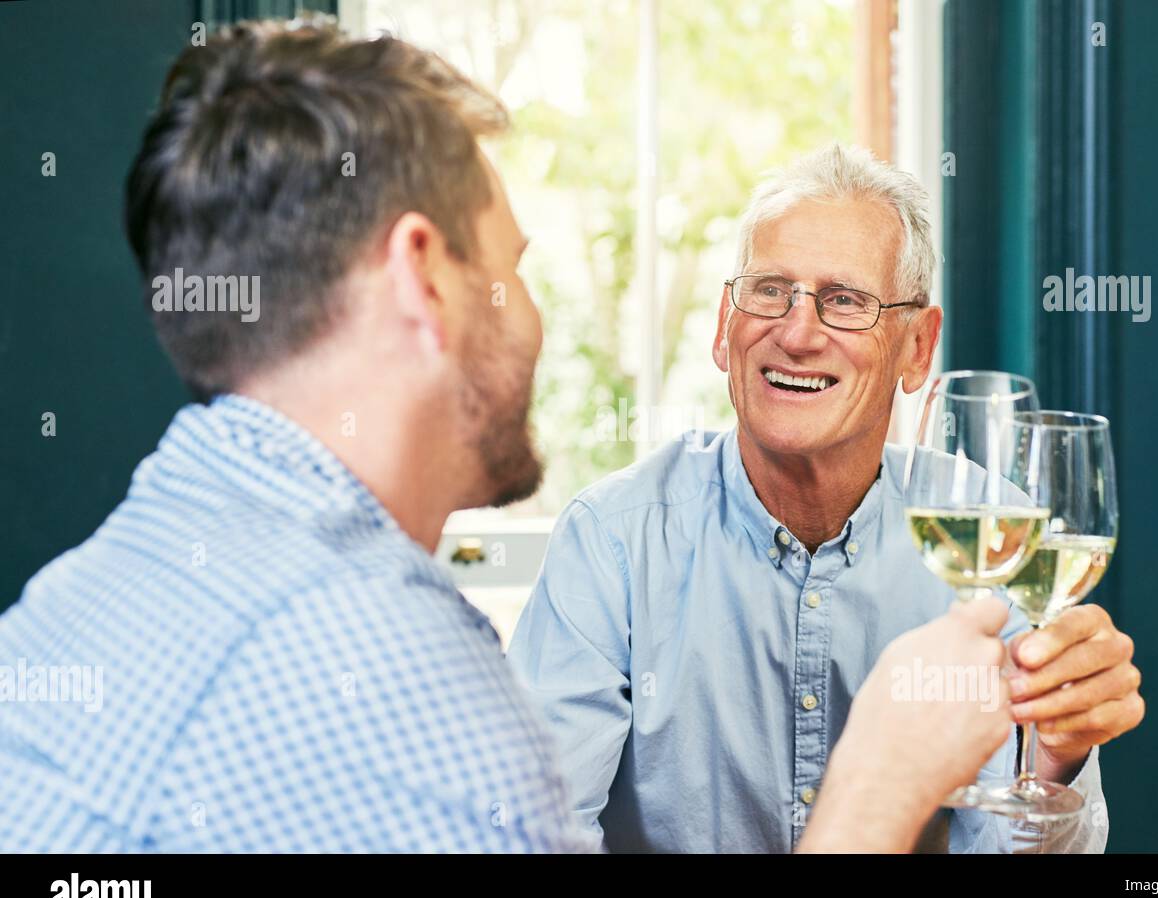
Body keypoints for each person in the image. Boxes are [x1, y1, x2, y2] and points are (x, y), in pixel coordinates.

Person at [0, 20, 1017, 854]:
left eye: (841, 301)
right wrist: (876, 790)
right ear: (422, 278)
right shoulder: (389, 679)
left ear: (914, 344)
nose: (534, 316)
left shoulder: (101, 583)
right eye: (514, 264)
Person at [507, 144, 1145, 853]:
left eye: (845, 300)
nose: (797, 331)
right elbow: (529, 837)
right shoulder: (611, 542)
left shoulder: (988, 538)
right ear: (725, 325)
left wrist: (1053, 754)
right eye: (770, 289)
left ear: (917, 348)